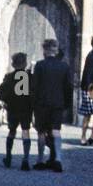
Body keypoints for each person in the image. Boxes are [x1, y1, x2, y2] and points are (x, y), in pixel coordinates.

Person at [30, 38, 72, 172]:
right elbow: (68, 87)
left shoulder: (40, 65)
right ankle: (58, 159)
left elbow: (34, 87)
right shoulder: (64, 66)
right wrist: (66, 104)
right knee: (56, 131)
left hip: (42, 103)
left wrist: (32, 104)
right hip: (58, 103)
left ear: (44, 50)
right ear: (56, 50)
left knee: (41, 132)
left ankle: (40, 159)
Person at [0, 52, 33, 170]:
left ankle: (8, 156)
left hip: (13, 108)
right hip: (26, 108)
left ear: (13, 64)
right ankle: (26, 159)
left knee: (12, 131)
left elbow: (0, 91)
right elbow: (34, 92)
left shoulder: (9, 77)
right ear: (25, 64)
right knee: (25, 131)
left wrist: (6, 101)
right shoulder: (30, 77)